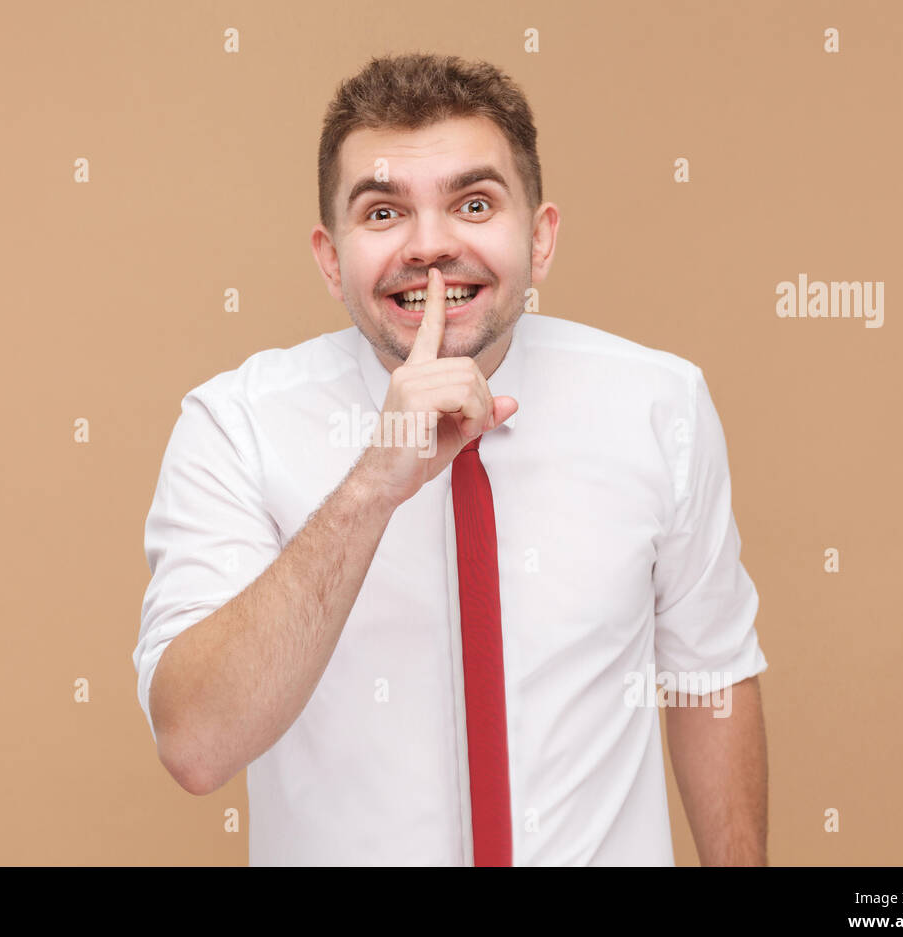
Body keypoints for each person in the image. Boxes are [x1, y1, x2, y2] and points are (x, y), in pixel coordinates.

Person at [133, 53, 769, 866]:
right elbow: (196, 744)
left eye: (474, 203)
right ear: (332, 260)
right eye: (383, 212)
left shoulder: (661, 406)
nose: (430, 247)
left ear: (539, 239)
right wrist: (373, 482)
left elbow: (709, 676)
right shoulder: (235, 426)